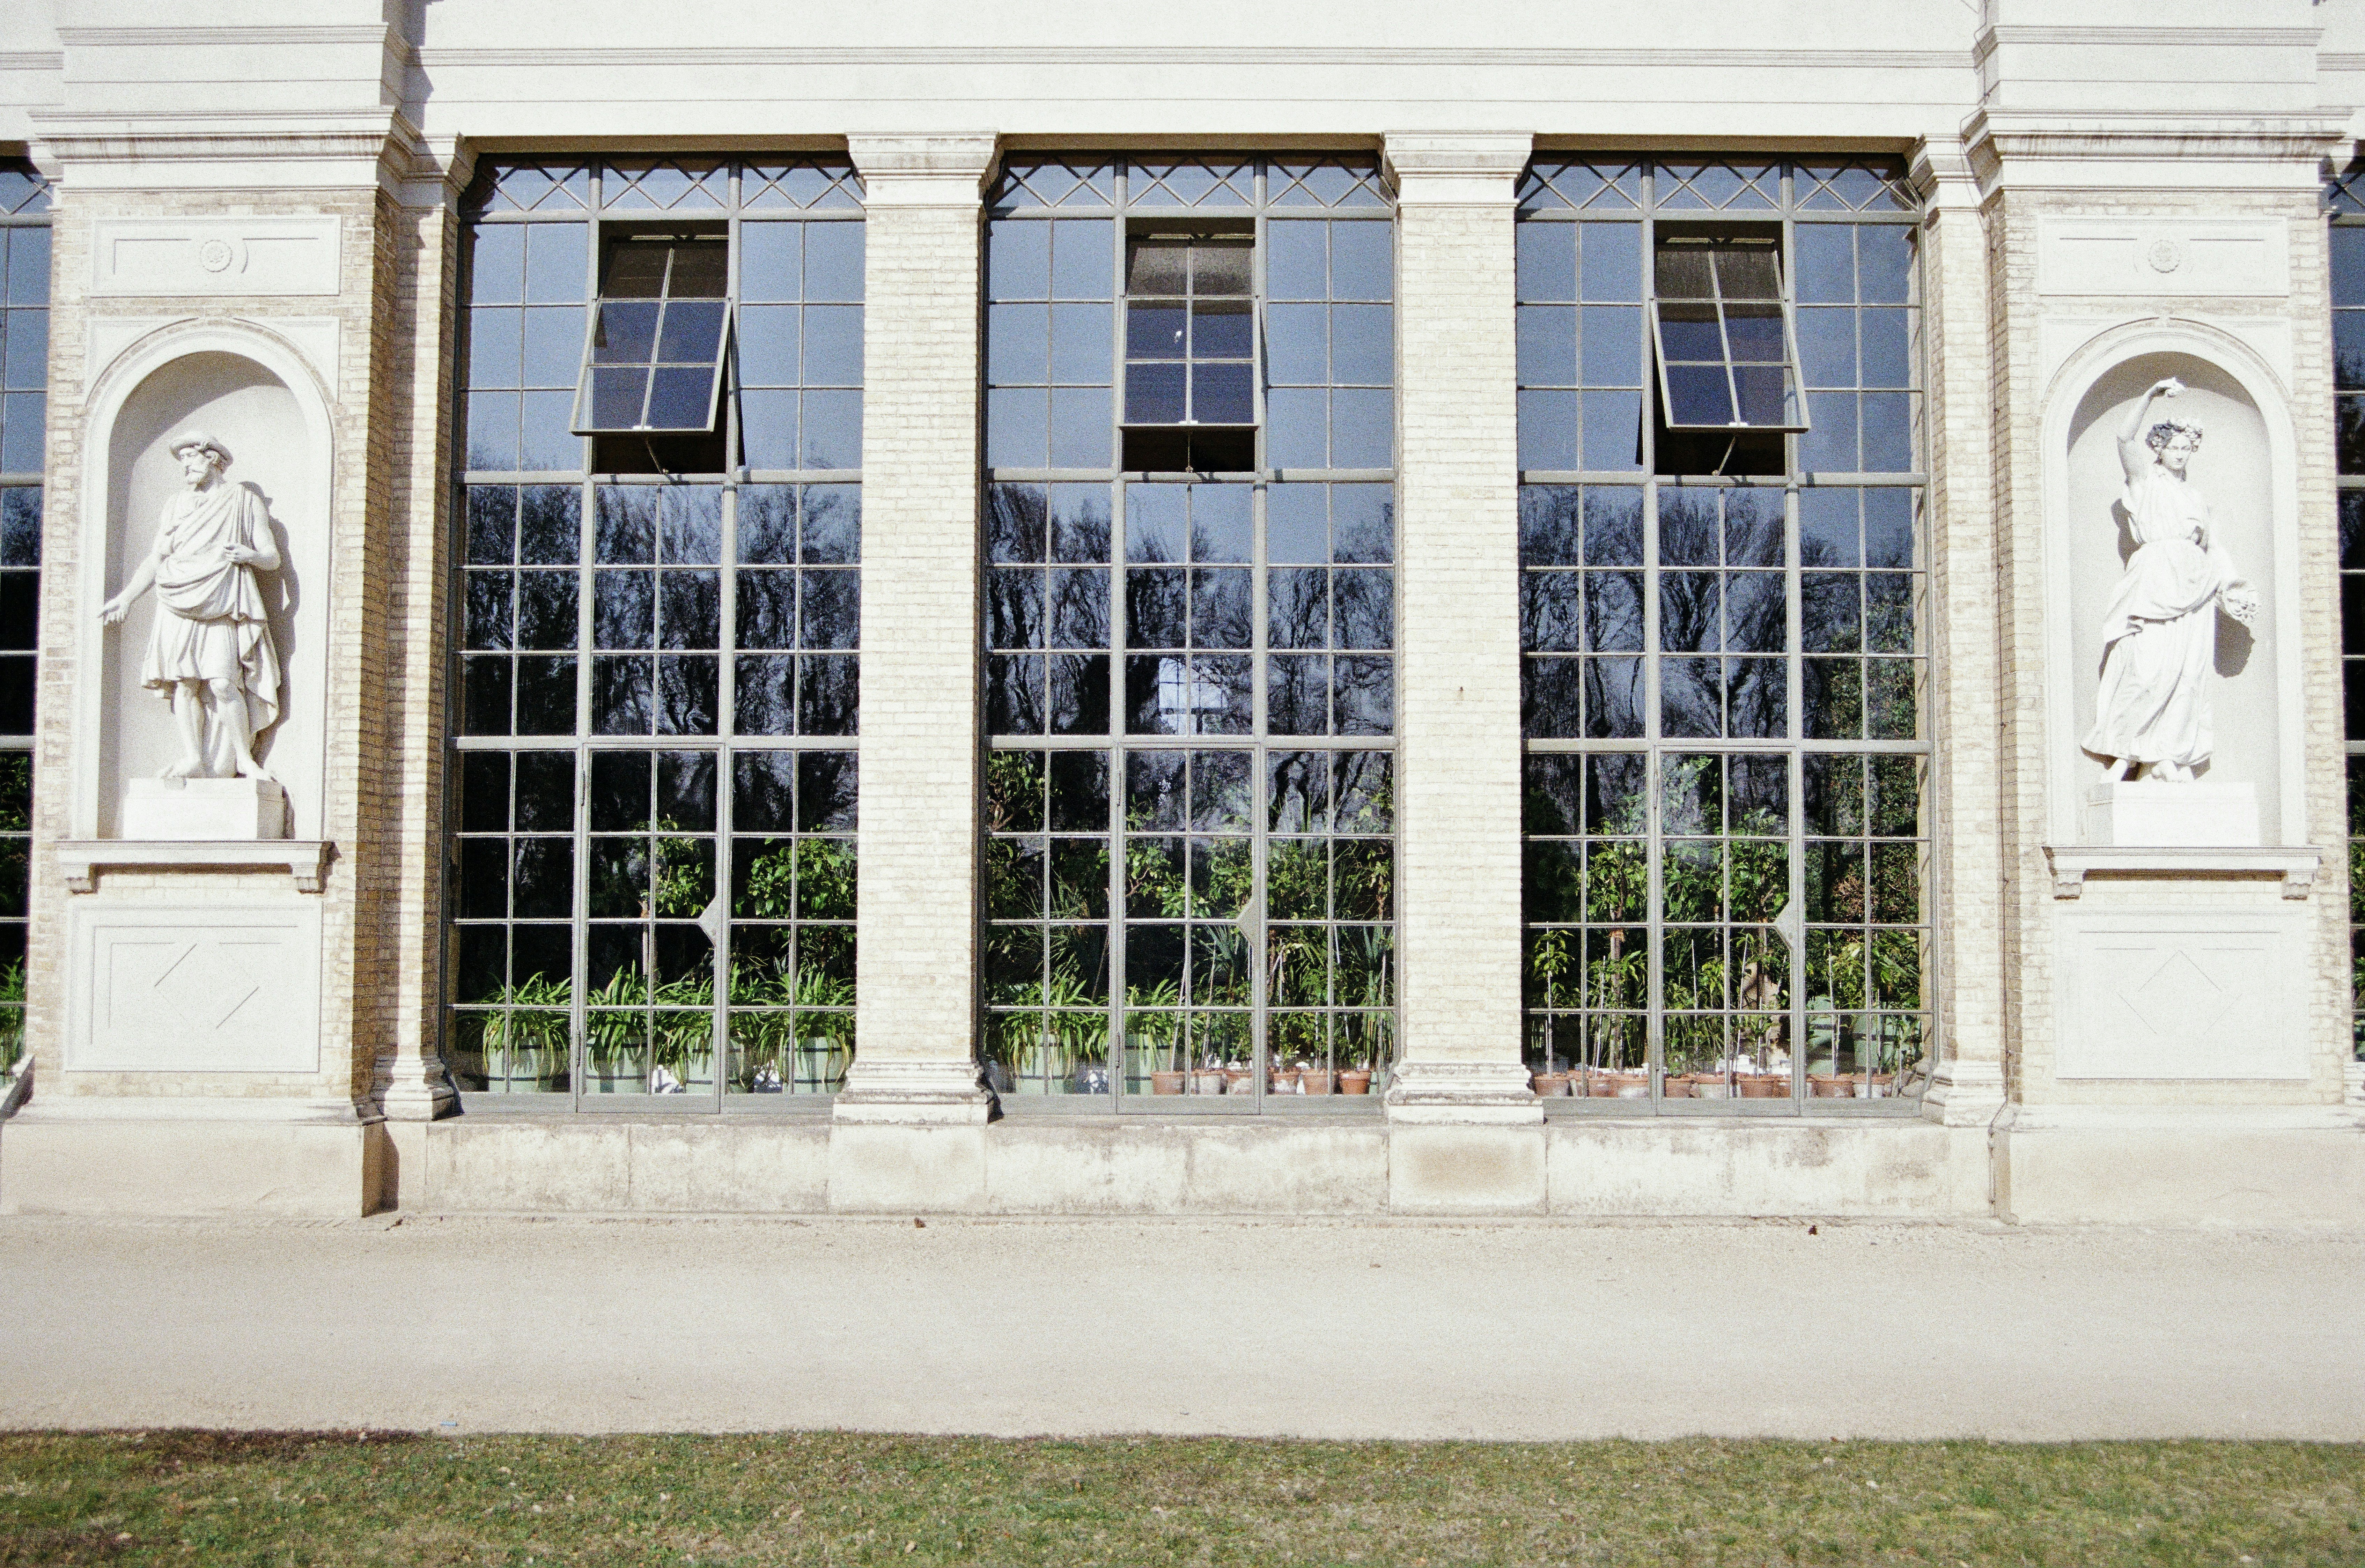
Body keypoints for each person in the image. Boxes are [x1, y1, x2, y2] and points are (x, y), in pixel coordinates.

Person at [2083, 377, 2257, 784]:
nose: (2180, 453)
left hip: (2195, 587)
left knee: (2186, 675)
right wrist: (2149, 395)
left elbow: (2214, 548)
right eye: (2173, 447)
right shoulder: (2145, 482)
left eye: (2186, 448)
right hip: (2155, 581)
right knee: (2145, 669)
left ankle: (2165, 755)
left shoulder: (2196, 498)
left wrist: (2232, 588)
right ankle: (2125, 751)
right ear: (2159, 449)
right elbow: (2124, 438)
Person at [97, 431, 283, 781]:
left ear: (212, 458)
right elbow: (157, 557)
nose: (185, 467)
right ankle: (193, 757)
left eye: (190, 458)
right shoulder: (176, 504)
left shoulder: (243, 501)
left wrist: (250, 555)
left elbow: (271, 557)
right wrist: (126, 598)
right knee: (185, 684)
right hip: (177, 598)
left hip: (221, 600)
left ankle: (245, 760)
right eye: (181, 460)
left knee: (223, 683)